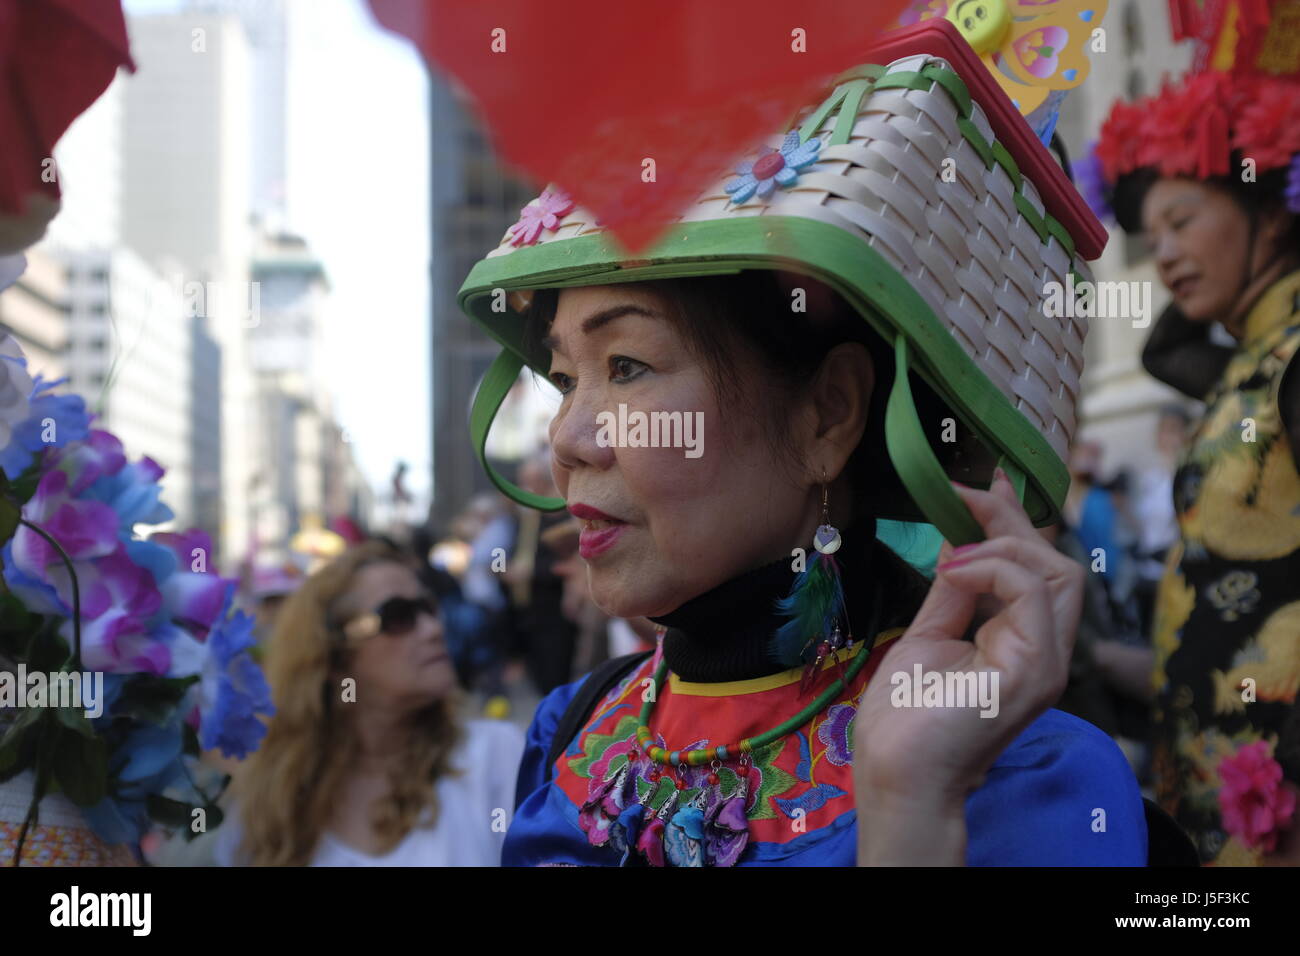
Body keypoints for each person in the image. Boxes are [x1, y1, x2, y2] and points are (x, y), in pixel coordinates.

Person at [455, 34, 1150, 865]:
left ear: (828, 415)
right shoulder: (567, 734)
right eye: (565, 380)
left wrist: (912, 810)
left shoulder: (1018, 774)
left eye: (628, 366)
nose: (567, 440)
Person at [1096, 60, 1300, 864]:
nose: (1166, 252)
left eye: (1184, 220)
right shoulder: (1248, 362)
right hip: (1214, 812)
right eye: (1154, 235)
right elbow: (1167, 354)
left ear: (1271, 218)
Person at [213, 540, 523, 866]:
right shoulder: (268, 808)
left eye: (429, 608)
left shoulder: (495, 755)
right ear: (333, 658)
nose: (432, 629)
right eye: (398, 616)